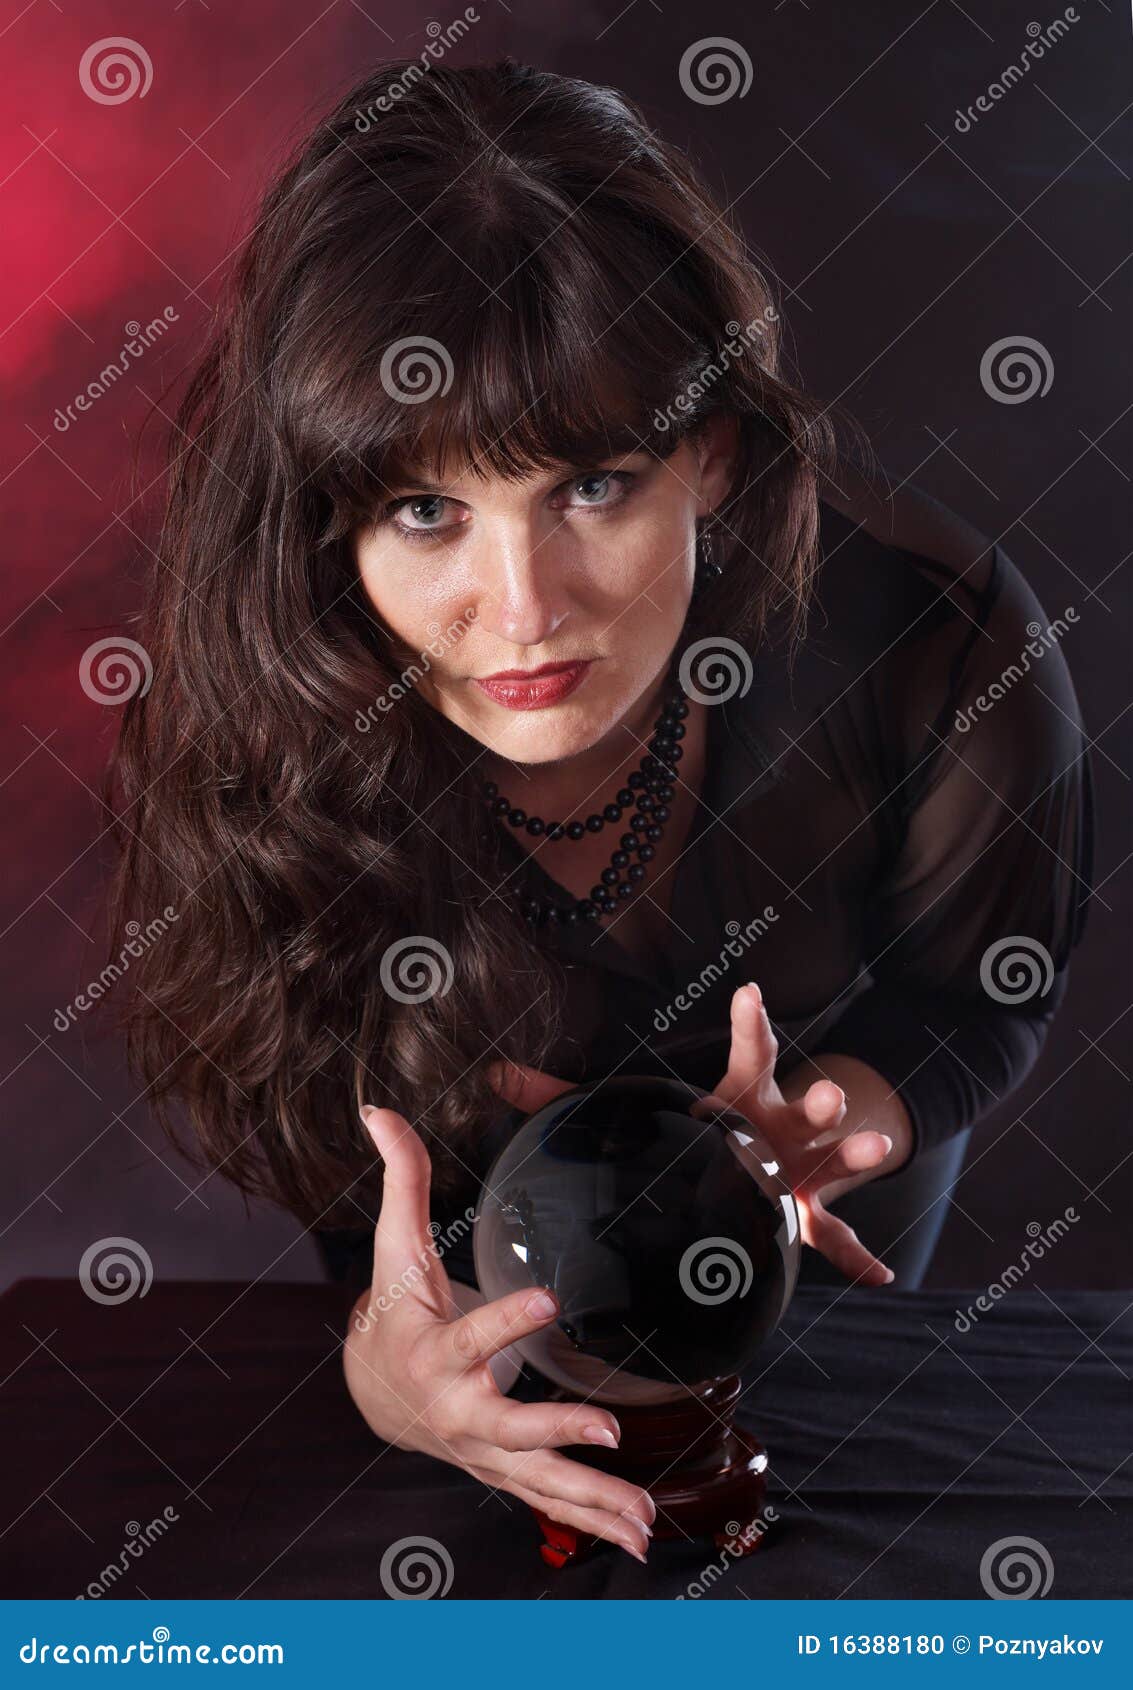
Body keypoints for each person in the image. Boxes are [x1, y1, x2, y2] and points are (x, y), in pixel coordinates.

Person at [102, 59, 1094, 1565]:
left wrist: (841, 1123)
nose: (522, 612)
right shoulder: (252, 729)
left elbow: (974, 995)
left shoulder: (935, 646)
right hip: (471, 1331)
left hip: (834, 1313)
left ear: (708, 453)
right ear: (327, 520)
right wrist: (391, 1369)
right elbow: (331, 1153)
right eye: (424, 510)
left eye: (592, 483)